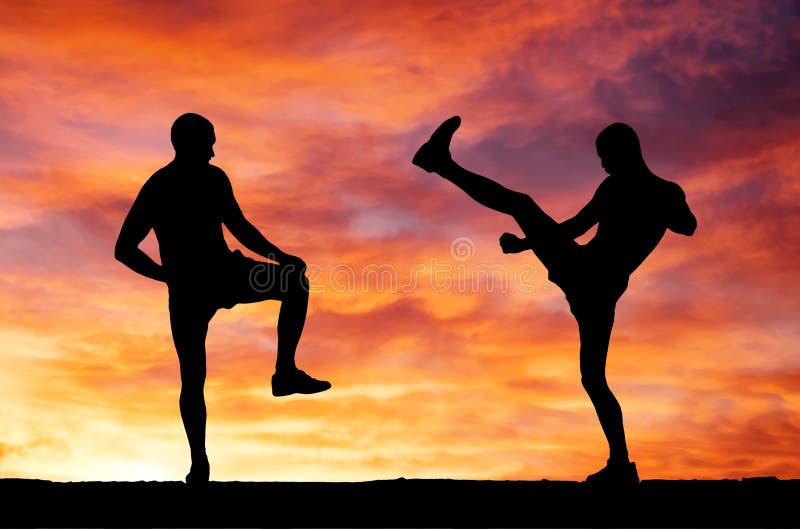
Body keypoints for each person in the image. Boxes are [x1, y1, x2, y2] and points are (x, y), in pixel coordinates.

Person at [412, 116, 696, 485]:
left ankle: (441, 163)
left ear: (625, 151)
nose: (602, 163)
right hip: (592, 280)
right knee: (593, 378)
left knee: (593, 378)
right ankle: (621, 466)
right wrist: (526, 245)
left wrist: (667, 206)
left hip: (592, 280)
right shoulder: (616, 188)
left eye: (605, 155)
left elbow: (687, 226)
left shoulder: (661, 192)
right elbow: (577, 226)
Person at [115, 112, 331, 485]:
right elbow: (124, 248)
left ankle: (285, 372)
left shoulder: (214, 179)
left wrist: (280, 258)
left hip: (226, 273)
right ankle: (200, 464)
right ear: (189, 143)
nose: (214, 151)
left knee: (296, 281)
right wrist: (165, 275)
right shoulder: (159, 186)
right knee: (193, 376)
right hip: (189, 290)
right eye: (209, 142)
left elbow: (240, 227)